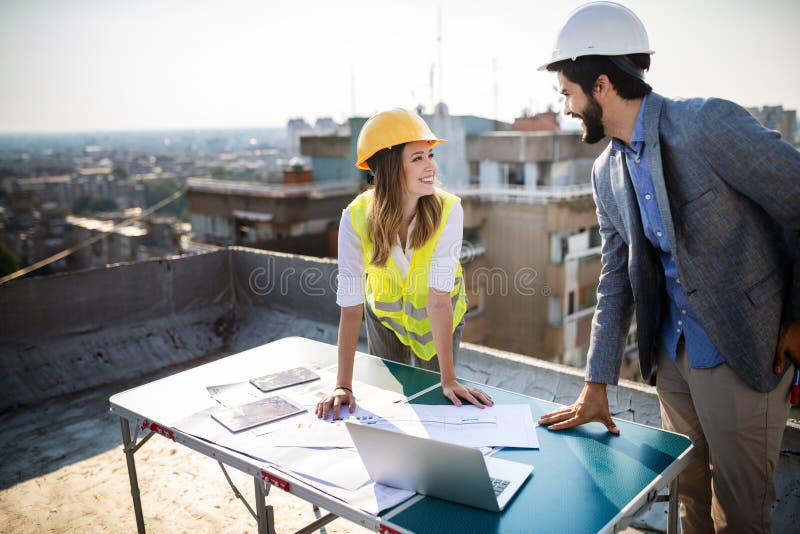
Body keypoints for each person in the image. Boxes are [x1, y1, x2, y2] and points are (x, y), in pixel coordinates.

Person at [535, 2, 800, 532]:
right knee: (689, 502)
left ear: (602, 85)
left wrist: (797, 315)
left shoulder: (706, 124)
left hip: (746, 350)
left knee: (741, 516)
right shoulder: (605, 171)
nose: (565, 108)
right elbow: (615, 281)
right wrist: (597, 381)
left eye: (567, 93)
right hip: (671, 360)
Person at [315, 108, 493, 420]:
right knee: (389, 399)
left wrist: (449, 379)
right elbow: (351, 305)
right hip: (385, 318)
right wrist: (343, 384)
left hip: (438, 318)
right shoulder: (354, 218)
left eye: (430, 155)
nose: (431, 167)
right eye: (417, 158)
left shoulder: (449, 211)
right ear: (388, 168)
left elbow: (438, 301)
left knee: (436, 401)